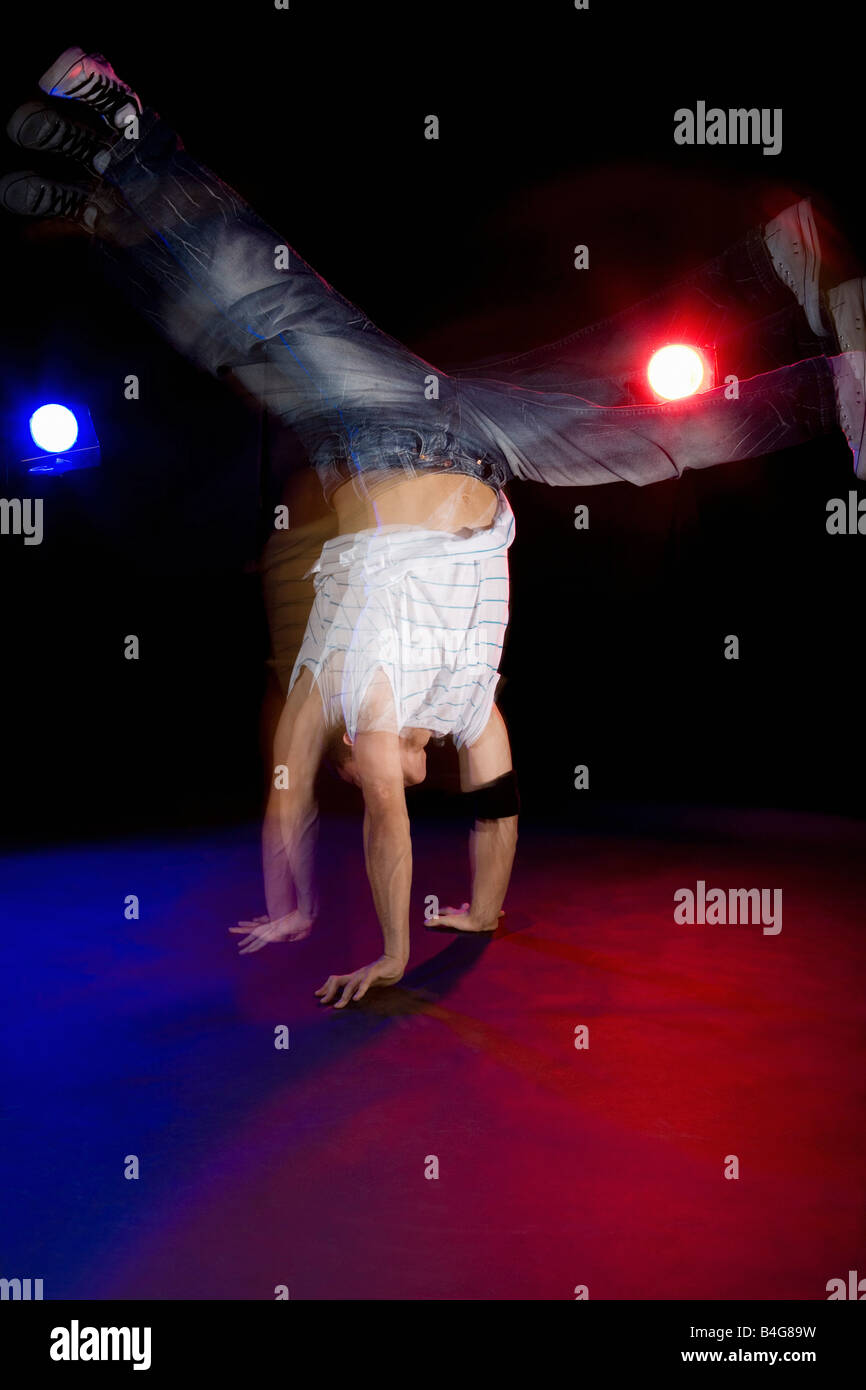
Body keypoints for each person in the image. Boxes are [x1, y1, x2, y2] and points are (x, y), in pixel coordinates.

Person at [3, 47, 864, 1008]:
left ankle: (128, 140)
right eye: (414, 779)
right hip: (489, 445)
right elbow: (497, 816)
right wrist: (481, 914)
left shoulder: (350, 705)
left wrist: (366, 942)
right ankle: (821, 356)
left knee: (255, 313)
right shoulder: (469, 714)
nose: (406, 779)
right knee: (640, 432)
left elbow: (312, 812)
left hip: (383, 429)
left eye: (380, 773)